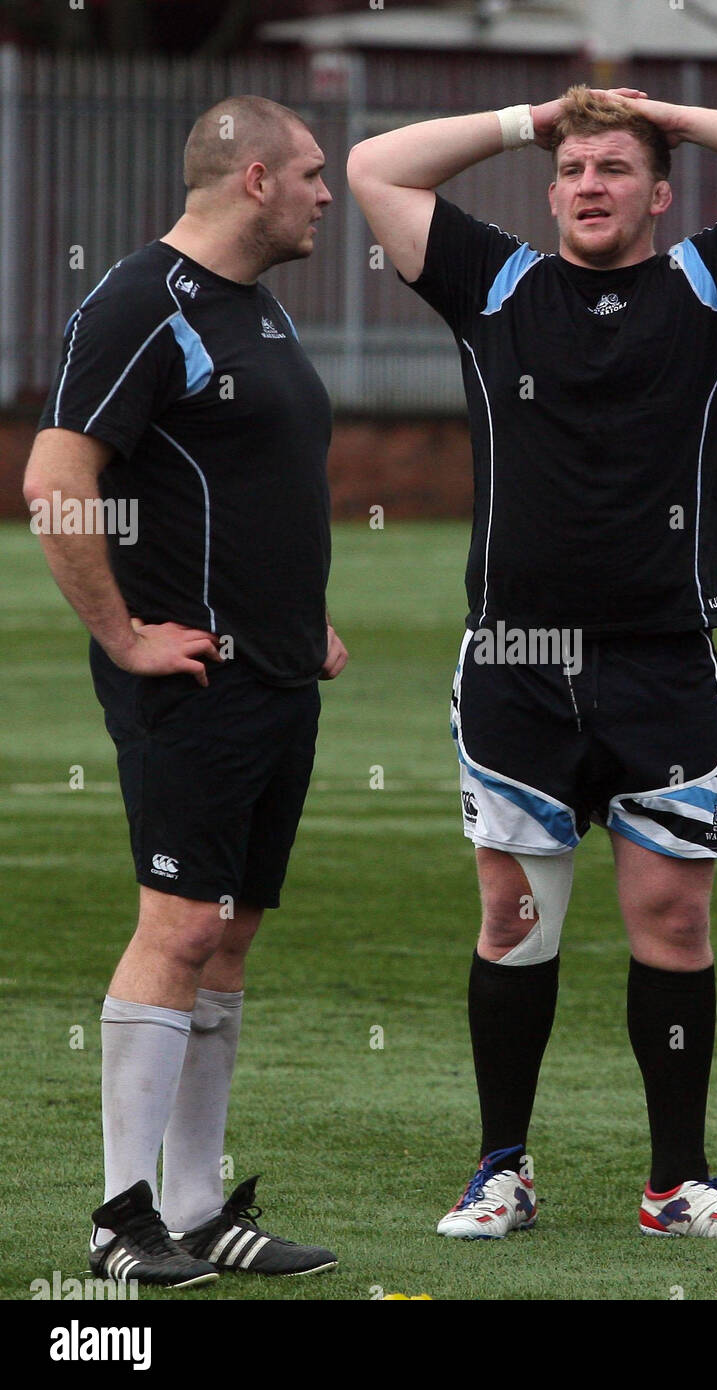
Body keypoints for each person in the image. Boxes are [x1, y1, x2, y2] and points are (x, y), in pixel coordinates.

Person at [347, 84, 717, 1240]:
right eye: (574, 169)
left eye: (617, 168)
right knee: (515, 917)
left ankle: (677, 1182)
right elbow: (380, 163)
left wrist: (663, 107)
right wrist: (537, 116)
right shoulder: (498, 284)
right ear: (549, 187)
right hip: (517, 662)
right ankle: (501, 1171)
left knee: (674, 922)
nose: (591, 185)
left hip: (663, 659)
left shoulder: (711, 285)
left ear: (660, 192)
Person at [24, 95, 347, 1288]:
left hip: (274, 675)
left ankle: (202, 1208)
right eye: (313, 173)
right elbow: (57, 475)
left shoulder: (256, 308)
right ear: (253, 177)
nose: (329, 193)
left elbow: (248, 478)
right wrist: (122, 634)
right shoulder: (135, 301)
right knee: (177, 929)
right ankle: (120, 1219)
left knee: (230, 931)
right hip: (191, 685)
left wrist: (301, 616)